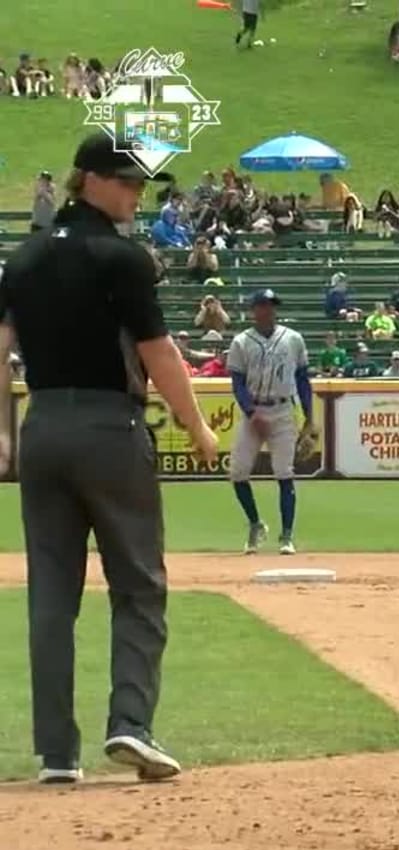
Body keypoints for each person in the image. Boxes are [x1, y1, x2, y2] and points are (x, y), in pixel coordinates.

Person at [0, 131, 219, 785]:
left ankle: (57, 755)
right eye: (127, 182)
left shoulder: (25, 257)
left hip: (43, 428)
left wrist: (3, 430)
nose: (136, 194)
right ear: (89, 180)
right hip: (108, 428)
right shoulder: (122, 258)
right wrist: (197, 426)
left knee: (50, 593)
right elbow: (158, 352)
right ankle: (131, 723)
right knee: (139, 582)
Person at [228, 288, 314, 554]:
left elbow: (302, 380)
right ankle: (255, 524)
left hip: (283, 410)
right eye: (263, 305)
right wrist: (251, 413)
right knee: (238, 472)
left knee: (284, 472)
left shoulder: (293, 339)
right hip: (253, 410)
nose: (268, 309)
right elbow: (237, 383)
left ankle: (287, 535)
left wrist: (309, 419)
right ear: (254, 309)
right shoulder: (241, 342)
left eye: (272, 305)